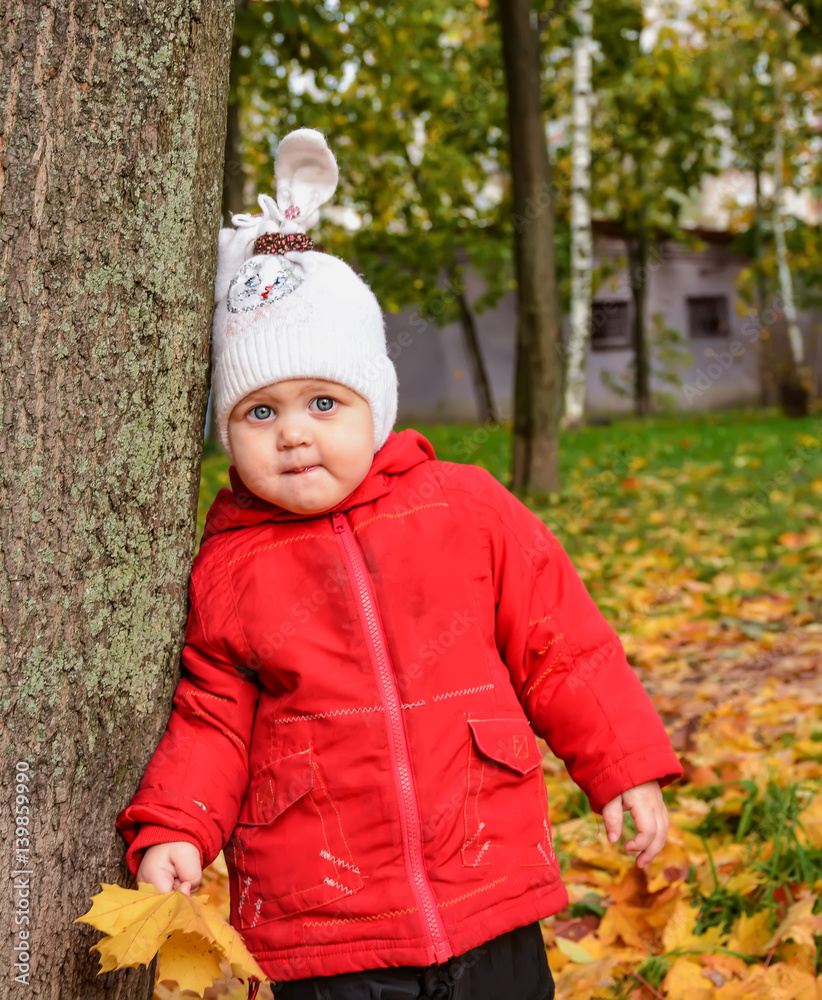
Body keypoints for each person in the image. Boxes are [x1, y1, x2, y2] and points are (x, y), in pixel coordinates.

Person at [116, 128, 682, 1000]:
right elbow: (214, 718)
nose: (294, 430)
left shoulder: (464, 507)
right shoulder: (230, 564)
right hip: (326, 922)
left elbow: (559, 643)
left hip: (489, 887)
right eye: (258, 413)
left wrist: (622, 766)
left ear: (373, 404)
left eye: (321, 401)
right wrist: (178, 827)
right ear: (226, 434)